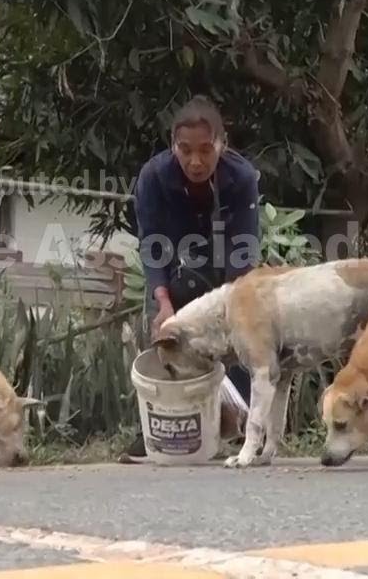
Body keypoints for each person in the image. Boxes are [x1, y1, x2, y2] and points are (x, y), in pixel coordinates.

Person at [122, 95, 261, 462]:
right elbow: (151, 244)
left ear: (222, 144)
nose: (195, 161)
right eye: (185, 150)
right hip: (174, 268)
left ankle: (241, 431)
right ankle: (157, 432)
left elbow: (243, 250)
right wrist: (163, 302)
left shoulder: (241, 178)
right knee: (168, 340)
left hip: (225, 269)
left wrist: (228, 309)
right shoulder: (153, 177)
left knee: (239, 338)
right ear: (173, 146)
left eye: (205, 150)